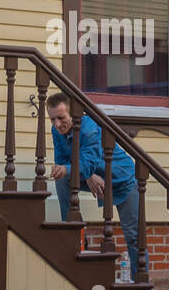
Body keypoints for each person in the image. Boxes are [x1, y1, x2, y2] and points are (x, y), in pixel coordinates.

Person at [46, 93, 142, 277]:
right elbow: (62, 161)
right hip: (96, 174)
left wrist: (86, 171)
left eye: (61, 118)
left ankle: (141, 286)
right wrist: (88, 175)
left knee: (133, 235)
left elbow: (86, 163)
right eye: (52, 119)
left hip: (122, 178)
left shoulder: (89, 128)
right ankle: (72, 232)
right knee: (63, 177)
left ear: (74, 114)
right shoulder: (56, 131)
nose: (57, 124)